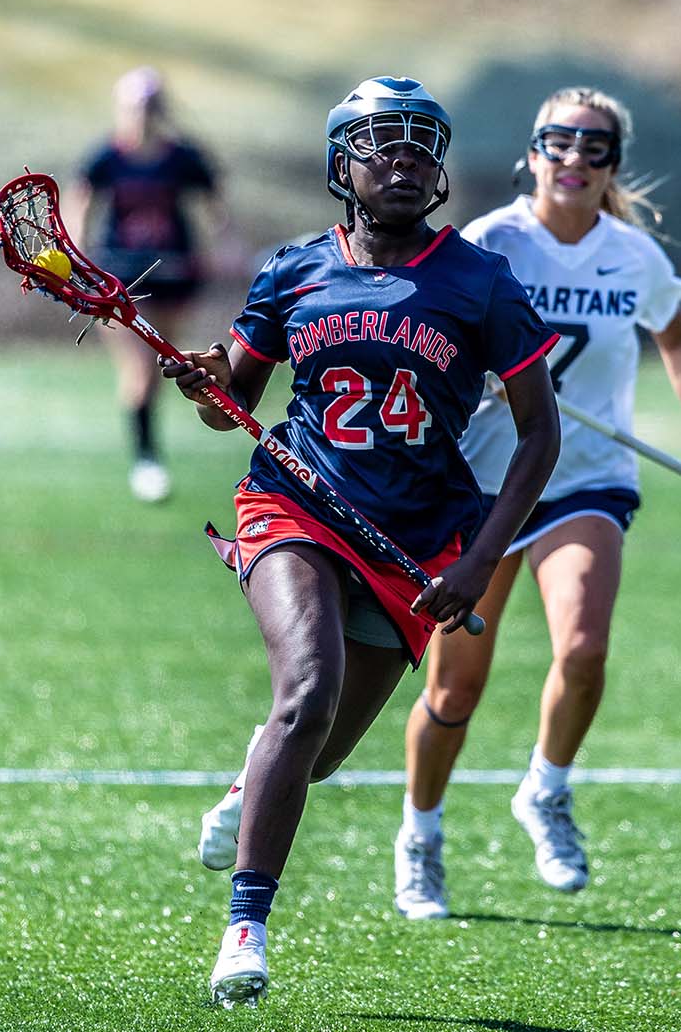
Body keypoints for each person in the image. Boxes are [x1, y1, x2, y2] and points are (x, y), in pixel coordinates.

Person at [160, 76, 560, 1008]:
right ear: (344, 164)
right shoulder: (293, 268)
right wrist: (209, 379)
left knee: (323, 748)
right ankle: (244, 933)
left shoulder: (480, 282)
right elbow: (238, 406)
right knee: (307, 694)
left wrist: (478, 559)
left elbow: (541, 434)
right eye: (384, 145)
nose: (406, 161)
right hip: (294, 505)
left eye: (423, 147)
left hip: (416, 538)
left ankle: (241, 790)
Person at [384, 85, 681, 918]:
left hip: (586, 476)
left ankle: (544, 790)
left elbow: (678, 336)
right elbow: (426, 329)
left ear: (614, 164)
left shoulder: (632, 254)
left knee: (583, 650)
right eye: (560, 141)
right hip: (482, 484)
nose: (575, 159)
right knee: (455, 691)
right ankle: (421, 836)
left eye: (596, 148)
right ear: (532, 151)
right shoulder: (489, 242)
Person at [64, 66, 229, 503]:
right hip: (118, 281)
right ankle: (146, 461)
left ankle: (149, 457)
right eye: (136, 107)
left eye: (151, 107)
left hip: (173, 276)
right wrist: (78, 258)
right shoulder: (107, 157)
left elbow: (215, 206)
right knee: (139, 372)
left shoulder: (183, 157)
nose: (143, 116)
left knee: (161, 369)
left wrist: (221, 247)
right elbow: (80, 205)